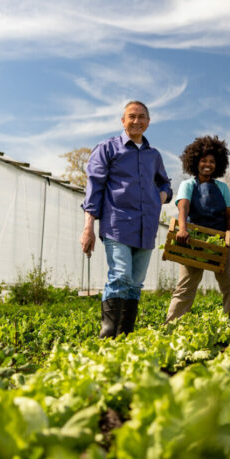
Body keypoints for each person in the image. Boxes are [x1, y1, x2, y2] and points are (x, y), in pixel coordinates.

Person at [80, 101, 172, 338]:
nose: (136, 121)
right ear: (123, 121)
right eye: (131, 116)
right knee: (120, 275)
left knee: (135, 283)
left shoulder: (154, 156)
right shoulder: (108, 149)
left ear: (148, 122)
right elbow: (94, 188)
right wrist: (88, 227)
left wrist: (158, 198)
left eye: (142, 117)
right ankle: (108, 336)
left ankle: (126, 335)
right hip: (117, 225)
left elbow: (165, 183)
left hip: (146, 227)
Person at [165, 135, 230, 325]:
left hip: (219, 241)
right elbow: (183, 208)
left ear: (218, 164)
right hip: (193, 240)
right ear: (195, 162)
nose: (207, 164)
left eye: (211, 161)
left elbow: (229, 215)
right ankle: (171, 326)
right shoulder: (188, 185)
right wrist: (183, 229)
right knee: (186, 286)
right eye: (203, 161)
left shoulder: (222, 188)